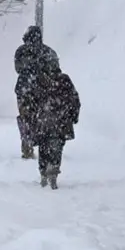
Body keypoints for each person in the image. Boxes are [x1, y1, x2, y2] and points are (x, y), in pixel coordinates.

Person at [30, 56, 81, 189]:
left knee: (43, 146)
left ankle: (43, 172)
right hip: (62, 121)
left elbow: (32, 101)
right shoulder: (64, 80)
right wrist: (73, 116)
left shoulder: (39, 80)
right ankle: (53, 169)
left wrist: (33, 117)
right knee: (57, 146)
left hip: (43, 121)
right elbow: (74, 99)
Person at [14, 25, 58, 159]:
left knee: (25, 118)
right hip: (44, 91)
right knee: (44, 119)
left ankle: (27, 145)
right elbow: (55, 70)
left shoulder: (21, 51)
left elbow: (18, 68)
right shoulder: (49, 51)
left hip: (24, 90)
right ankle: (46, 146)